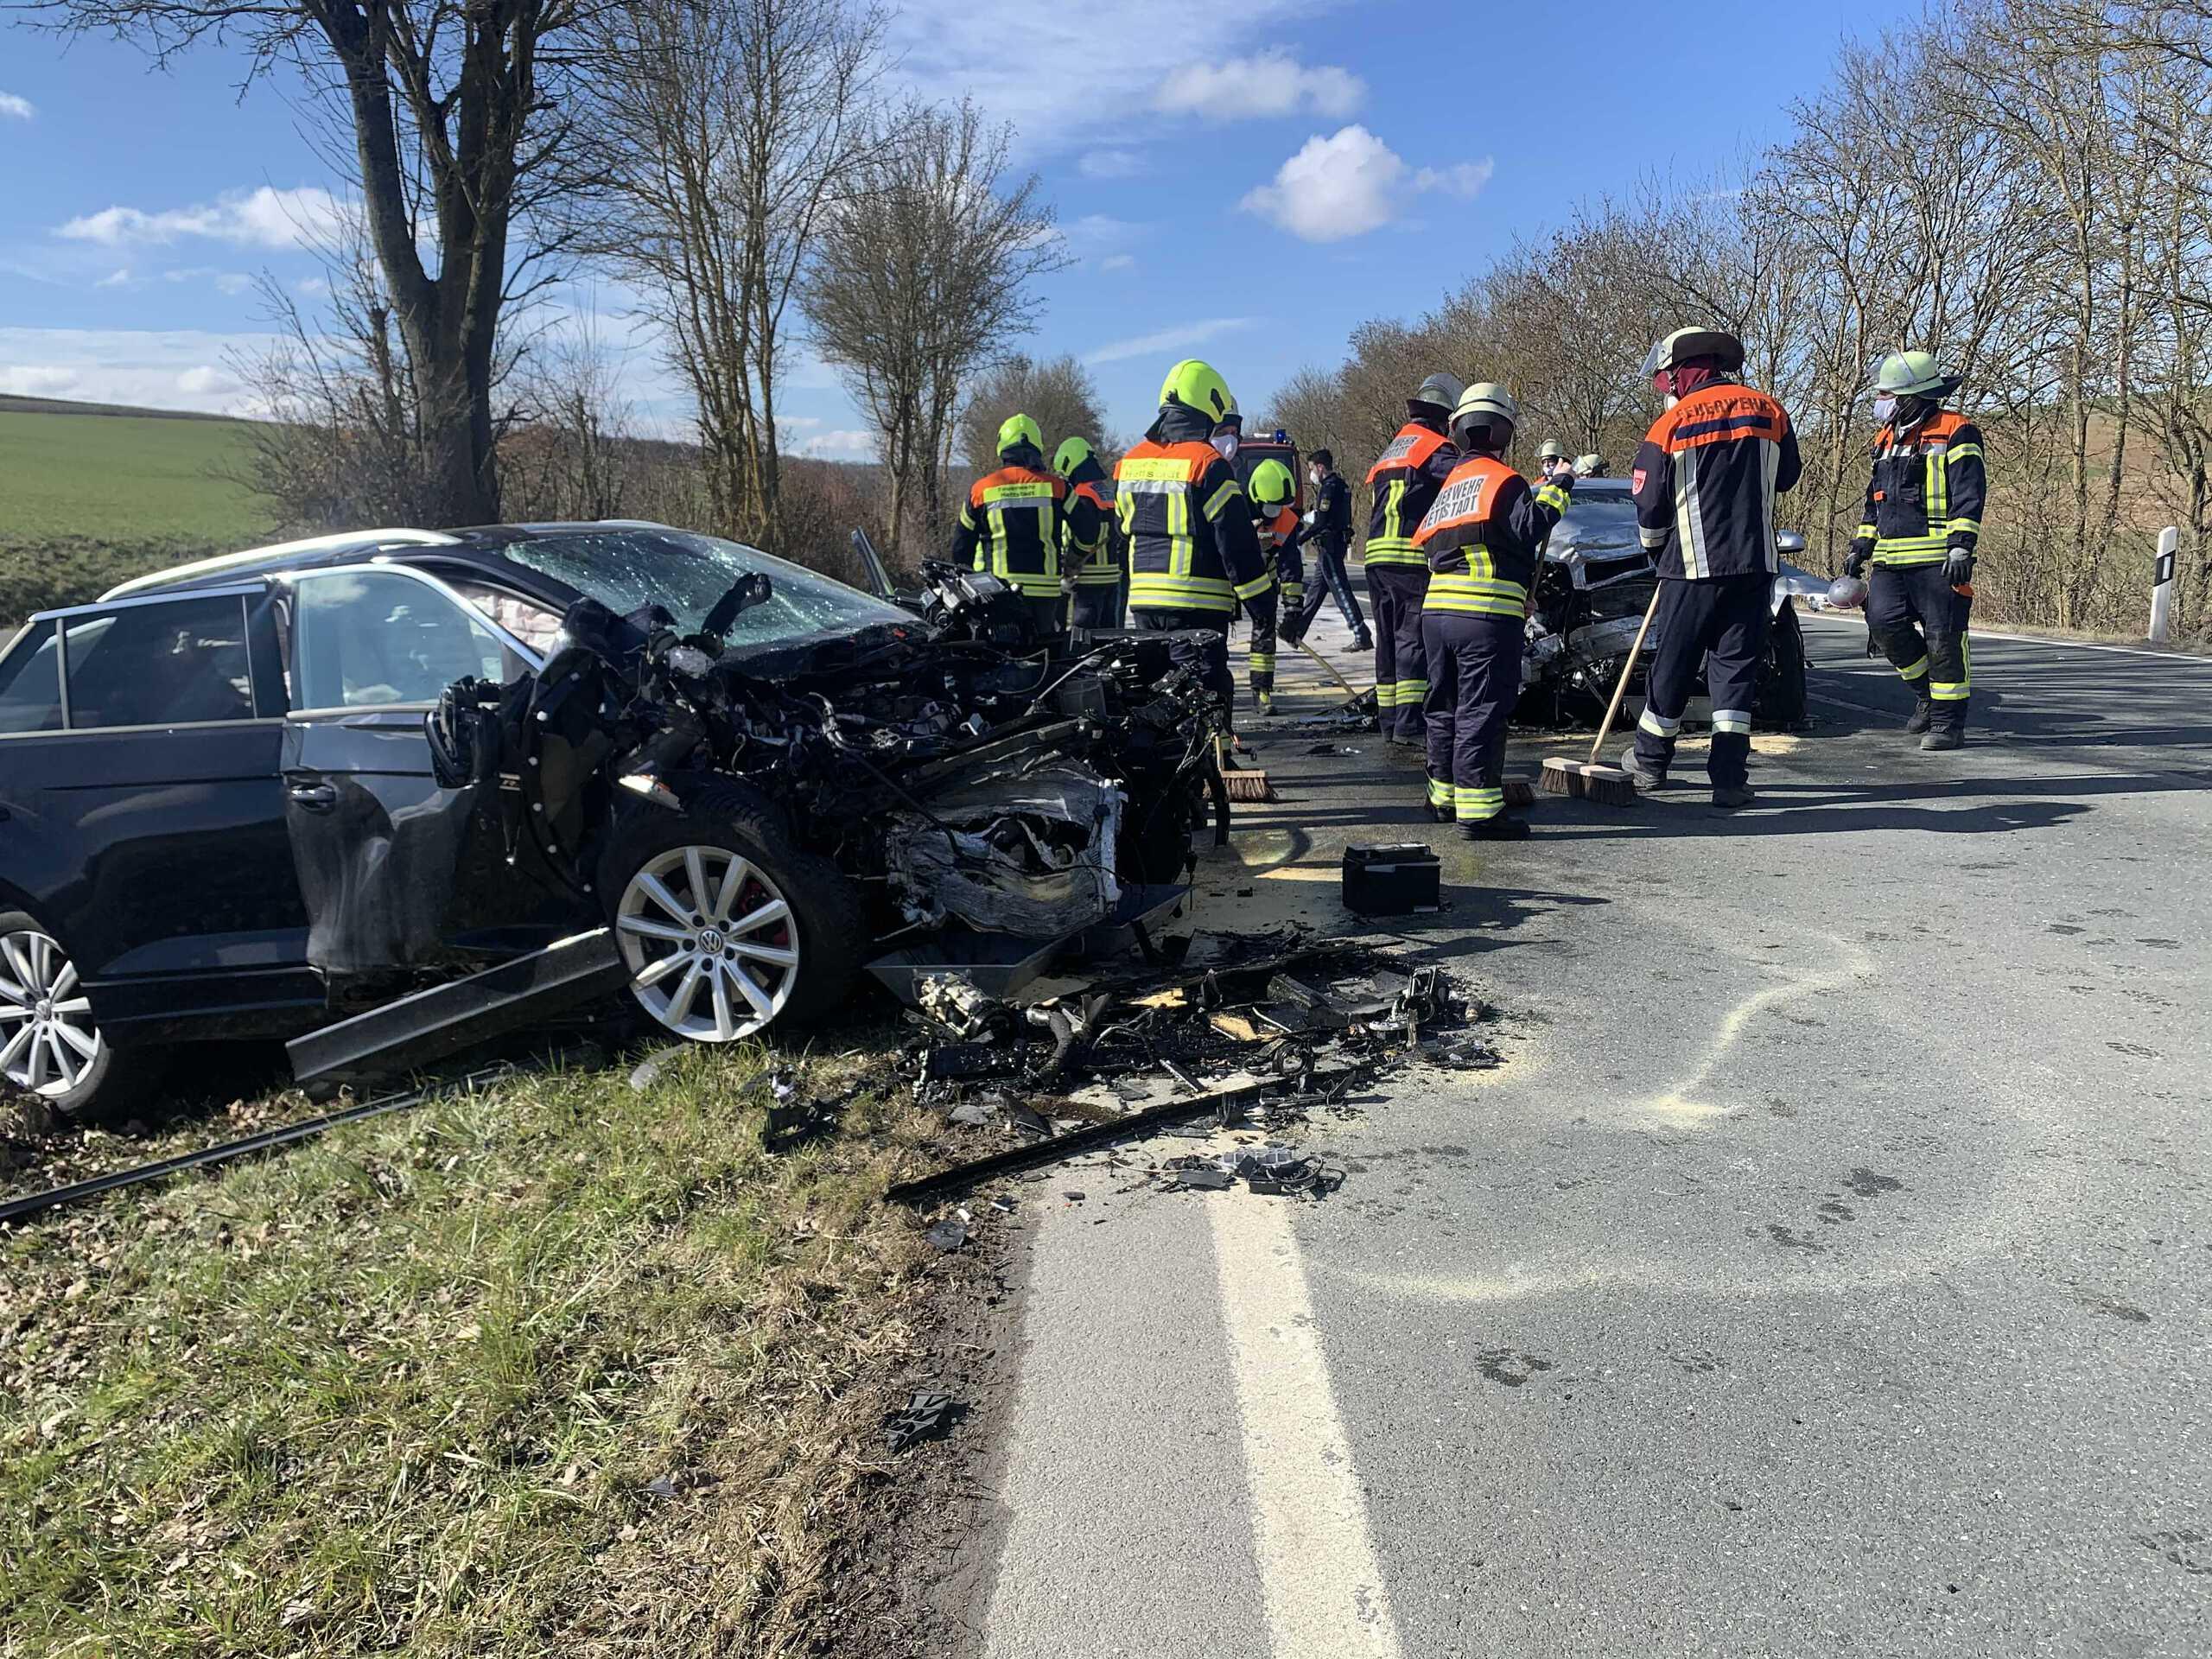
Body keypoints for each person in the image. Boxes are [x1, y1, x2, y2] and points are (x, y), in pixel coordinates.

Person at [1619, 327, 1802, 809]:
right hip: (1755, 565)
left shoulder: (1670, 425)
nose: (1668, 388)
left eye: (1667, 379)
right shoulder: (1771, 410)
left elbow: (1648, 501)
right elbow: (1787, 477)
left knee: (1673, 666)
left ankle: (1650, 763)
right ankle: (1728, 779)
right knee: (1736, 672)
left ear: (1683, 371)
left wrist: (1656, 551)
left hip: (1691, 567)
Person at [1414, 385, 1573, 841]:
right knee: (1481, 710)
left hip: (1437, 615)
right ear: (1502, 430)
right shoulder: (1503, 479)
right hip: (1483, 617)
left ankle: (1442, 797)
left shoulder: (1449, 487)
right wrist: (1559, 488)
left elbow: (1467, 546)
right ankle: (1480, 810)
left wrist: (1517, 584)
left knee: (1442, 706)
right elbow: (1529, 527)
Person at [1116, 359, 1275, 712]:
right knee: (1202, 698)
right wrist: (1262, 605)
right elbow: (1236, 546)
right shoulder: (1208, 464)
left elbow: (1120, 534)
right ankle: (1207, 764)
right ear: (1210, 405)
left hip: (1144, 606)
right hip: (1196, 609)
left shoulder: (1129, 463)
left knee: (1155, 697)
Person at [1845, 352, 1986, 751]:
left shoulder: (1956, 430)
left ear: (1912, 394)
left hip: (1940, 561)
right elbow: (1875, 502)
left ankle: (1947, 723)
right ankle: (1927, 693)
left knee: (1944, 639)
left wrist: (1961, 547)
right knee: (1883, 626)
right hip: (1890, 561)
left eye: (1886, 392)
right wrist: (1861, 545)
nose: (1880, 400)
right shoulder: (1885, 438)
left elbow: (1969, 494)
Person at [1363, 372, 1465, 745]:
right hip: (1408, 556)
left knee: (1387, 639)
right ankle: (1409, 724)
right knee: (1411, 640)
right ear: (1444, 419)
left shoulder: (1395, 447)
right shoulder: (1435, 447)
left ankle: (1389, 722)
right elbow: (1464, 483)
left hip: (1376, 555)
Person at [952, 413, 1071, 636]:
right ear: (1036, 445)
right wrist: (1073, 561)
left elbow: (961, 546)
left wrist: (968, 586)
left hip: (998, 590)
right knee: (1045, 654)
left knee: (1002, 655)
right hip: (1045, 593)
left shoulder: (981, 490)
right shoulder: (1059, 488)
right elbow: (1087, 531)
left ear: (1002, 447)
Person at [1243, 458, 1306, 711]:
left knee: (1264, 633)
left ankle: (1262, 691)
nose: (1275, 513)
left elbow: (1291, 568)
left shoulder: (1287, 519)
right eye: (1271, 507)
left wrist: (1293, 610)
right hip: (1229, 583)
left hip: (1263, 584)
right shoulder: (1236, 510)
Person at [1289, 448, 1368, 650]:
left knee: (1340, 590)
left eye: (1311, 468)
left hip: (1329, 546)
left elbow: (1322, 521)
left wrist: (1299, 539)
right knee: (1315, 593)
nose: (1311, 473)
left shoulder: (1329, 487)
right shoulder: (1341, 485)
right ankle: (1296, 633)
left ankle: (1361, 633)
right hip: (1333, 544)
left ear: (1320, 467)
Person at [1055, 435, 1122, 630]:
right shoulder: (1106, 491)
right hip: (1111, 576)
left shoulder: (1082, 494)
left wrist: (1069, 563)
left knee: (1083, 638)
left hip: (1087, 577)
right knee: (1107, 635)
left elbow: (1085, 534)